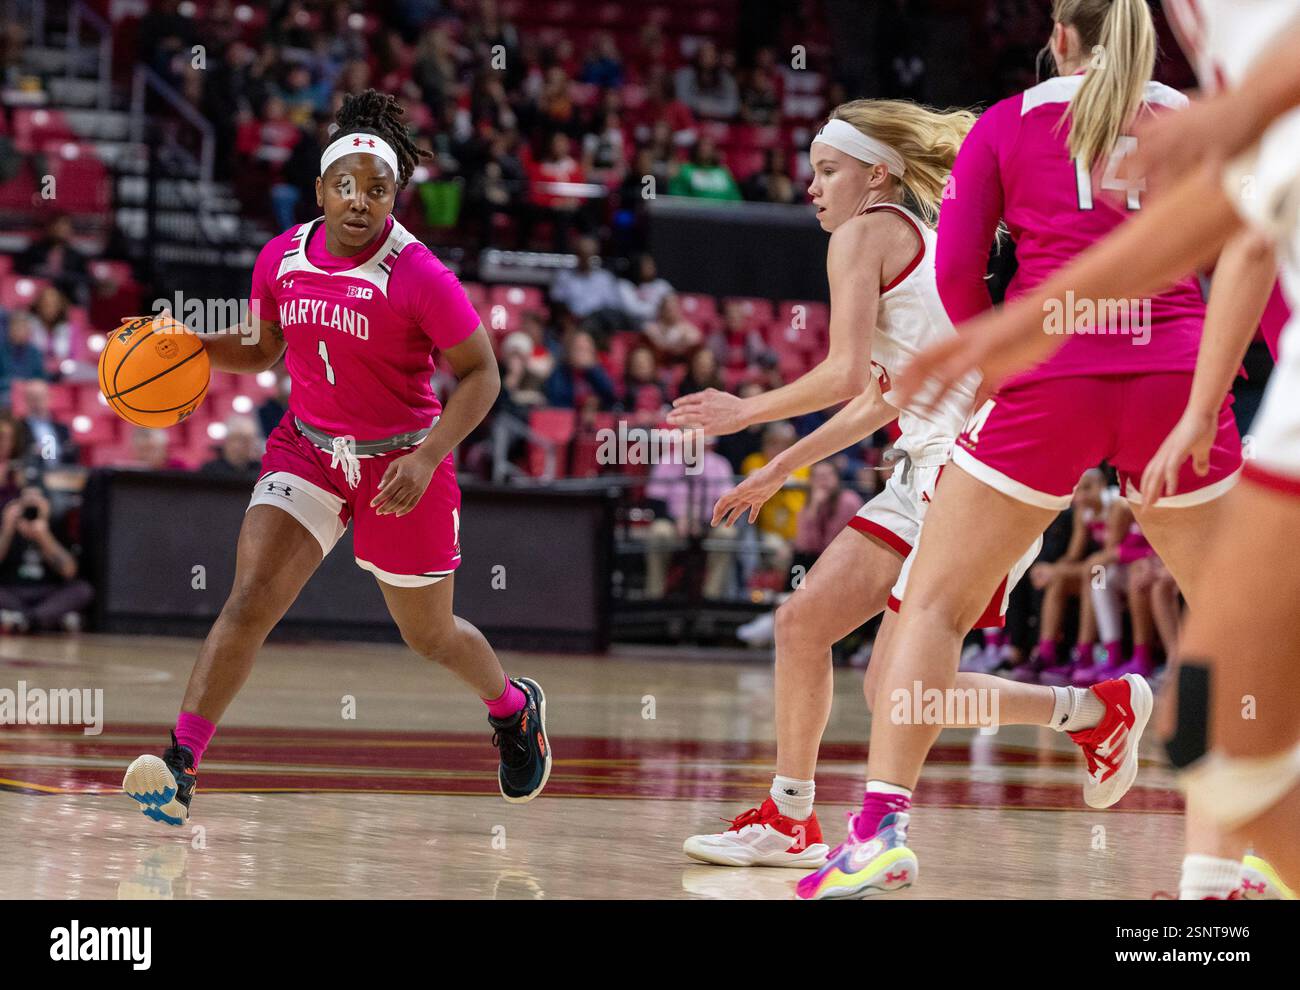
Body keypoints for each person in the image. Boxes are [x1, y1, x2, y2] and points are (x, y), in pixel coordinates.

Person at [879, 0, 1288, 901]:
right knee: (1228, 626)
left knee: (933, 610)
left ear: (1058, 37)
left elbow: (953, 273)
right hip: (1178, 379)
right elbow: (1258, 262)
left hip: (1045, 381)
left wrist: (991, 362)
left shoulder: (1005, 123)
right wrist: (1253, 377)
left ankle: (882, 829)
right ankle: (1213, 876)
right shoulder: (1198, 112)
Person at [122, 90, 552, 829]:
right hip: (310, 450)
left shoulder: (418, 275)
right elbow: (262, 347)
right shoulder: (281, 256)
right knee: (251, 598)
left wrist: (428, 457)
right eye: (346, 187)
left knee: (430, 636)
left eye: (377, 190)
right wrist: (188, 344)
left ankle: (514, 710)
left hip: (401, 465)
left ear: (396, 195)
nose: (360, 203)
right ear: (320, 189)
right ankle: (180, 768)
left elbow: (483, 374)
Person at [671, 99, 1078, 875]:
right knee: (802, 624)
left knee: (899, 685)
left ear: (877, 172)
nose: (814, 188)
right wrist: (782, 463)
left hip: (977, 466)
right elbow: (884, 394)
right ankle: (790, 818)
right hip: (927, 463)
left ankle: (1087, 711)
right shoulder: (913, 239)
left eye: (829, 171)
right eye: (813, 172)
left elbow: (844, 371)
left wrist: (745, 411)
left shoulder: (866, 232)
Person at [0, 482, 92, 633]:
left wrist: (44, 536)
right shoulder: (8, 523)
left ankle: (22, 620)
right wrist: (7, 529)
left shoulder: (55, 524)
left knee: (83, 590)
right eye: (26, 500)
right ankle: (45, 620)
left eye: (36, 500)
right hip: (12, 591)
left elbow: (69, 572)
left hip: (47, 591)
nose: (30, 506)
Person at [199, 415, 263, 477]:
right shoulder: (210, 471)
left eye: (251, 440)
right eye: (242, 440)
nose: (249, 445)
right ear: (228, 441)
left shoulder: (260, 470)